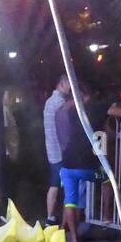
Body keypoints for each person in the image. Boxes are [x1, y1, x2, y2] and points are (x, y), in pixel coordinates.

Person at [55, 87, 102, 242]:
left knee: (70, 200)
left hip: (66, 163)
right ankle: (108, 215)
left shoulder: (64, 112)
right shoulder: (84, 112)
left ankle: (73, 240)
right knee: (108, 179)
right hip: (84, 164)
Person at [42, 74, 69, 225]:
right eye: (69, 83)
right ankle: (61, 219)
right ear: (62, 83)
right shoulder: (60, 103)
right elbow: (64, 128)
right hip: (60, 149)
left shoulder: (49, 102)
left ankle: (50, 217)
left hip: (51, 149)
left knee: (54, 183)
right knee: (62, 185)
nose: (71, 88)